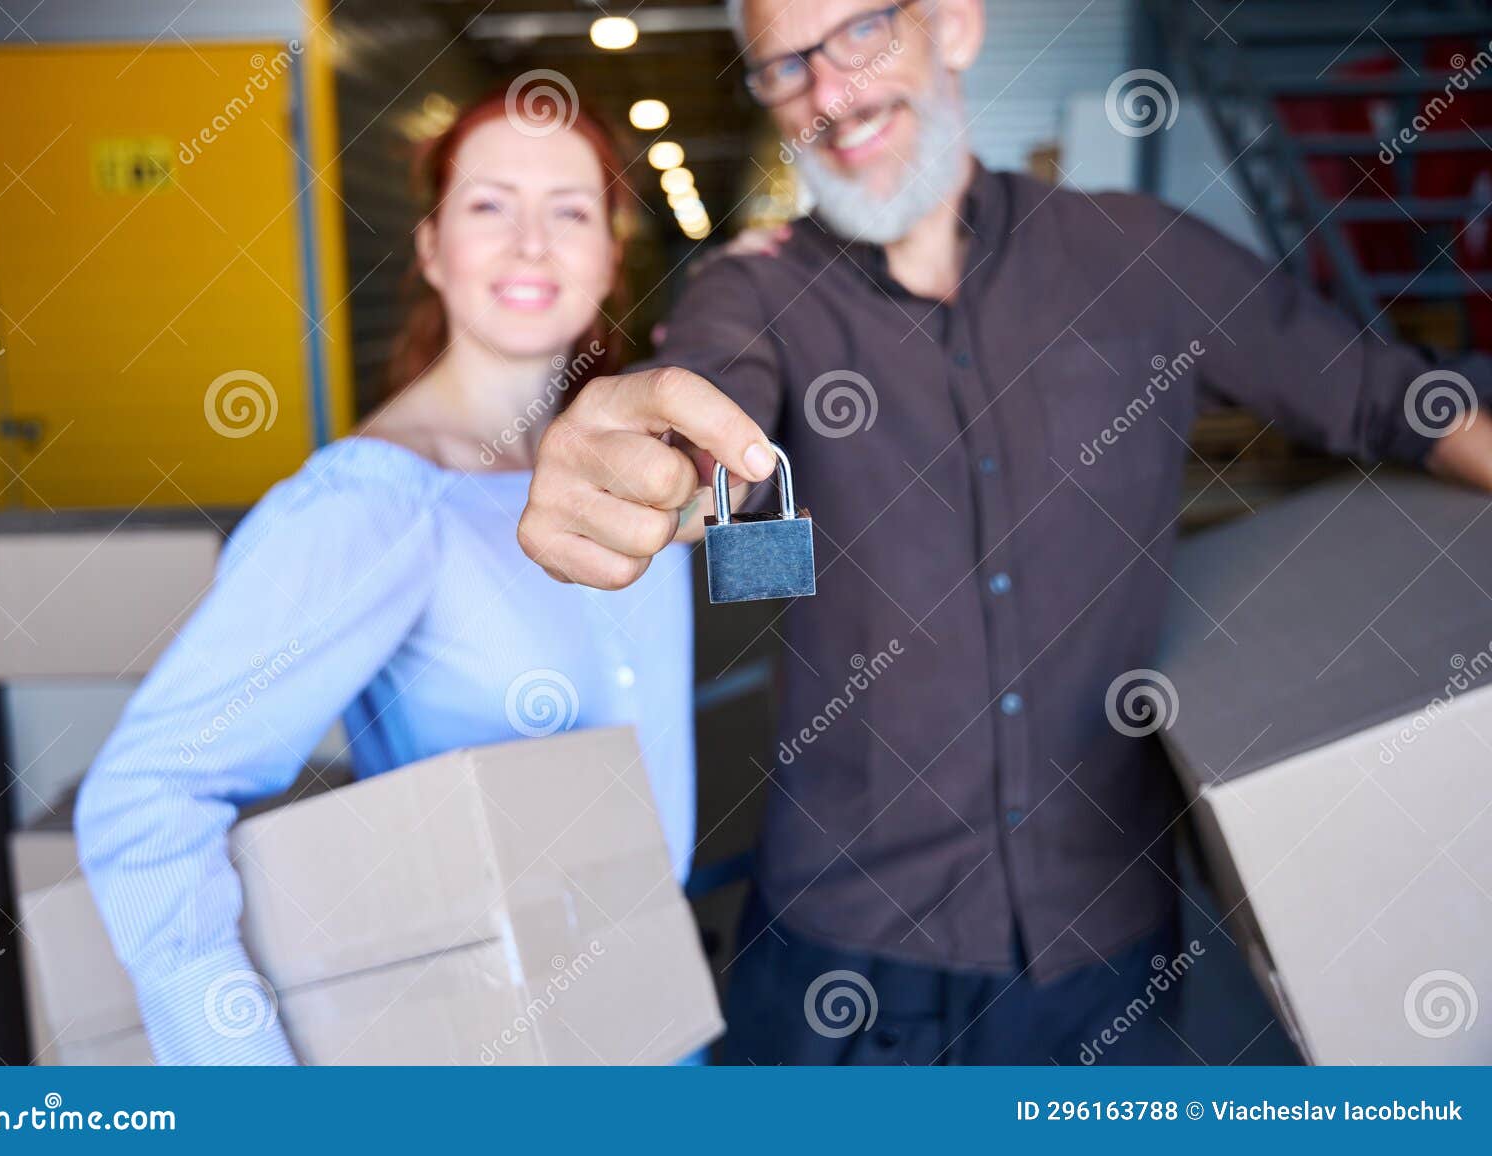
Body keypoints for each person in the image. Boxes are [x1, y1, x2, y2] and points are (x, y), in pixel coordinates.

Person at [516, 0, 1492, 1064]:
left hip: (1103, 948)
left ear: (957, 26)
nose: (831, 96)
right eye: (785, 66)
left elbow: (1387, 399)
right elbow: (713, 409)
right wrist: (651, 461)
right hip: (843, 962)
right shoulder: (755, 289)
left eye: (859, 34)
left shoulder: (1133, 251)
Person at [75, 93, 696, 1065]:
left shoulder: (633, 459)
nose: (531, 243)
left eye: (570, 209)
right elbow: (143, 796)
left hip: (652, 1025)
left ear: (611, 253)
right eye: (490, 205)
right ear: (432, 247)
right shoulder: (373, 505)